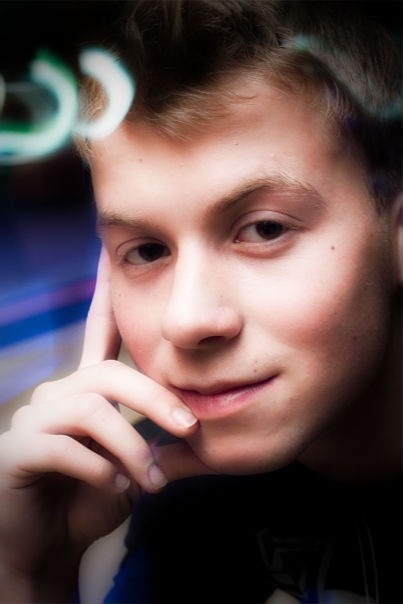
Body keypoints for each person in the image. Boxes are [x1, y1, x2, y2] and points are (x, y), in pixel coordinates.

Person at [0, 0, 401, 602]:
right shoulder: (185, 488)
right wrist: (29, 576)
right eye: (146, 250)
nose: (186, 320)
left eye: (264, 229)